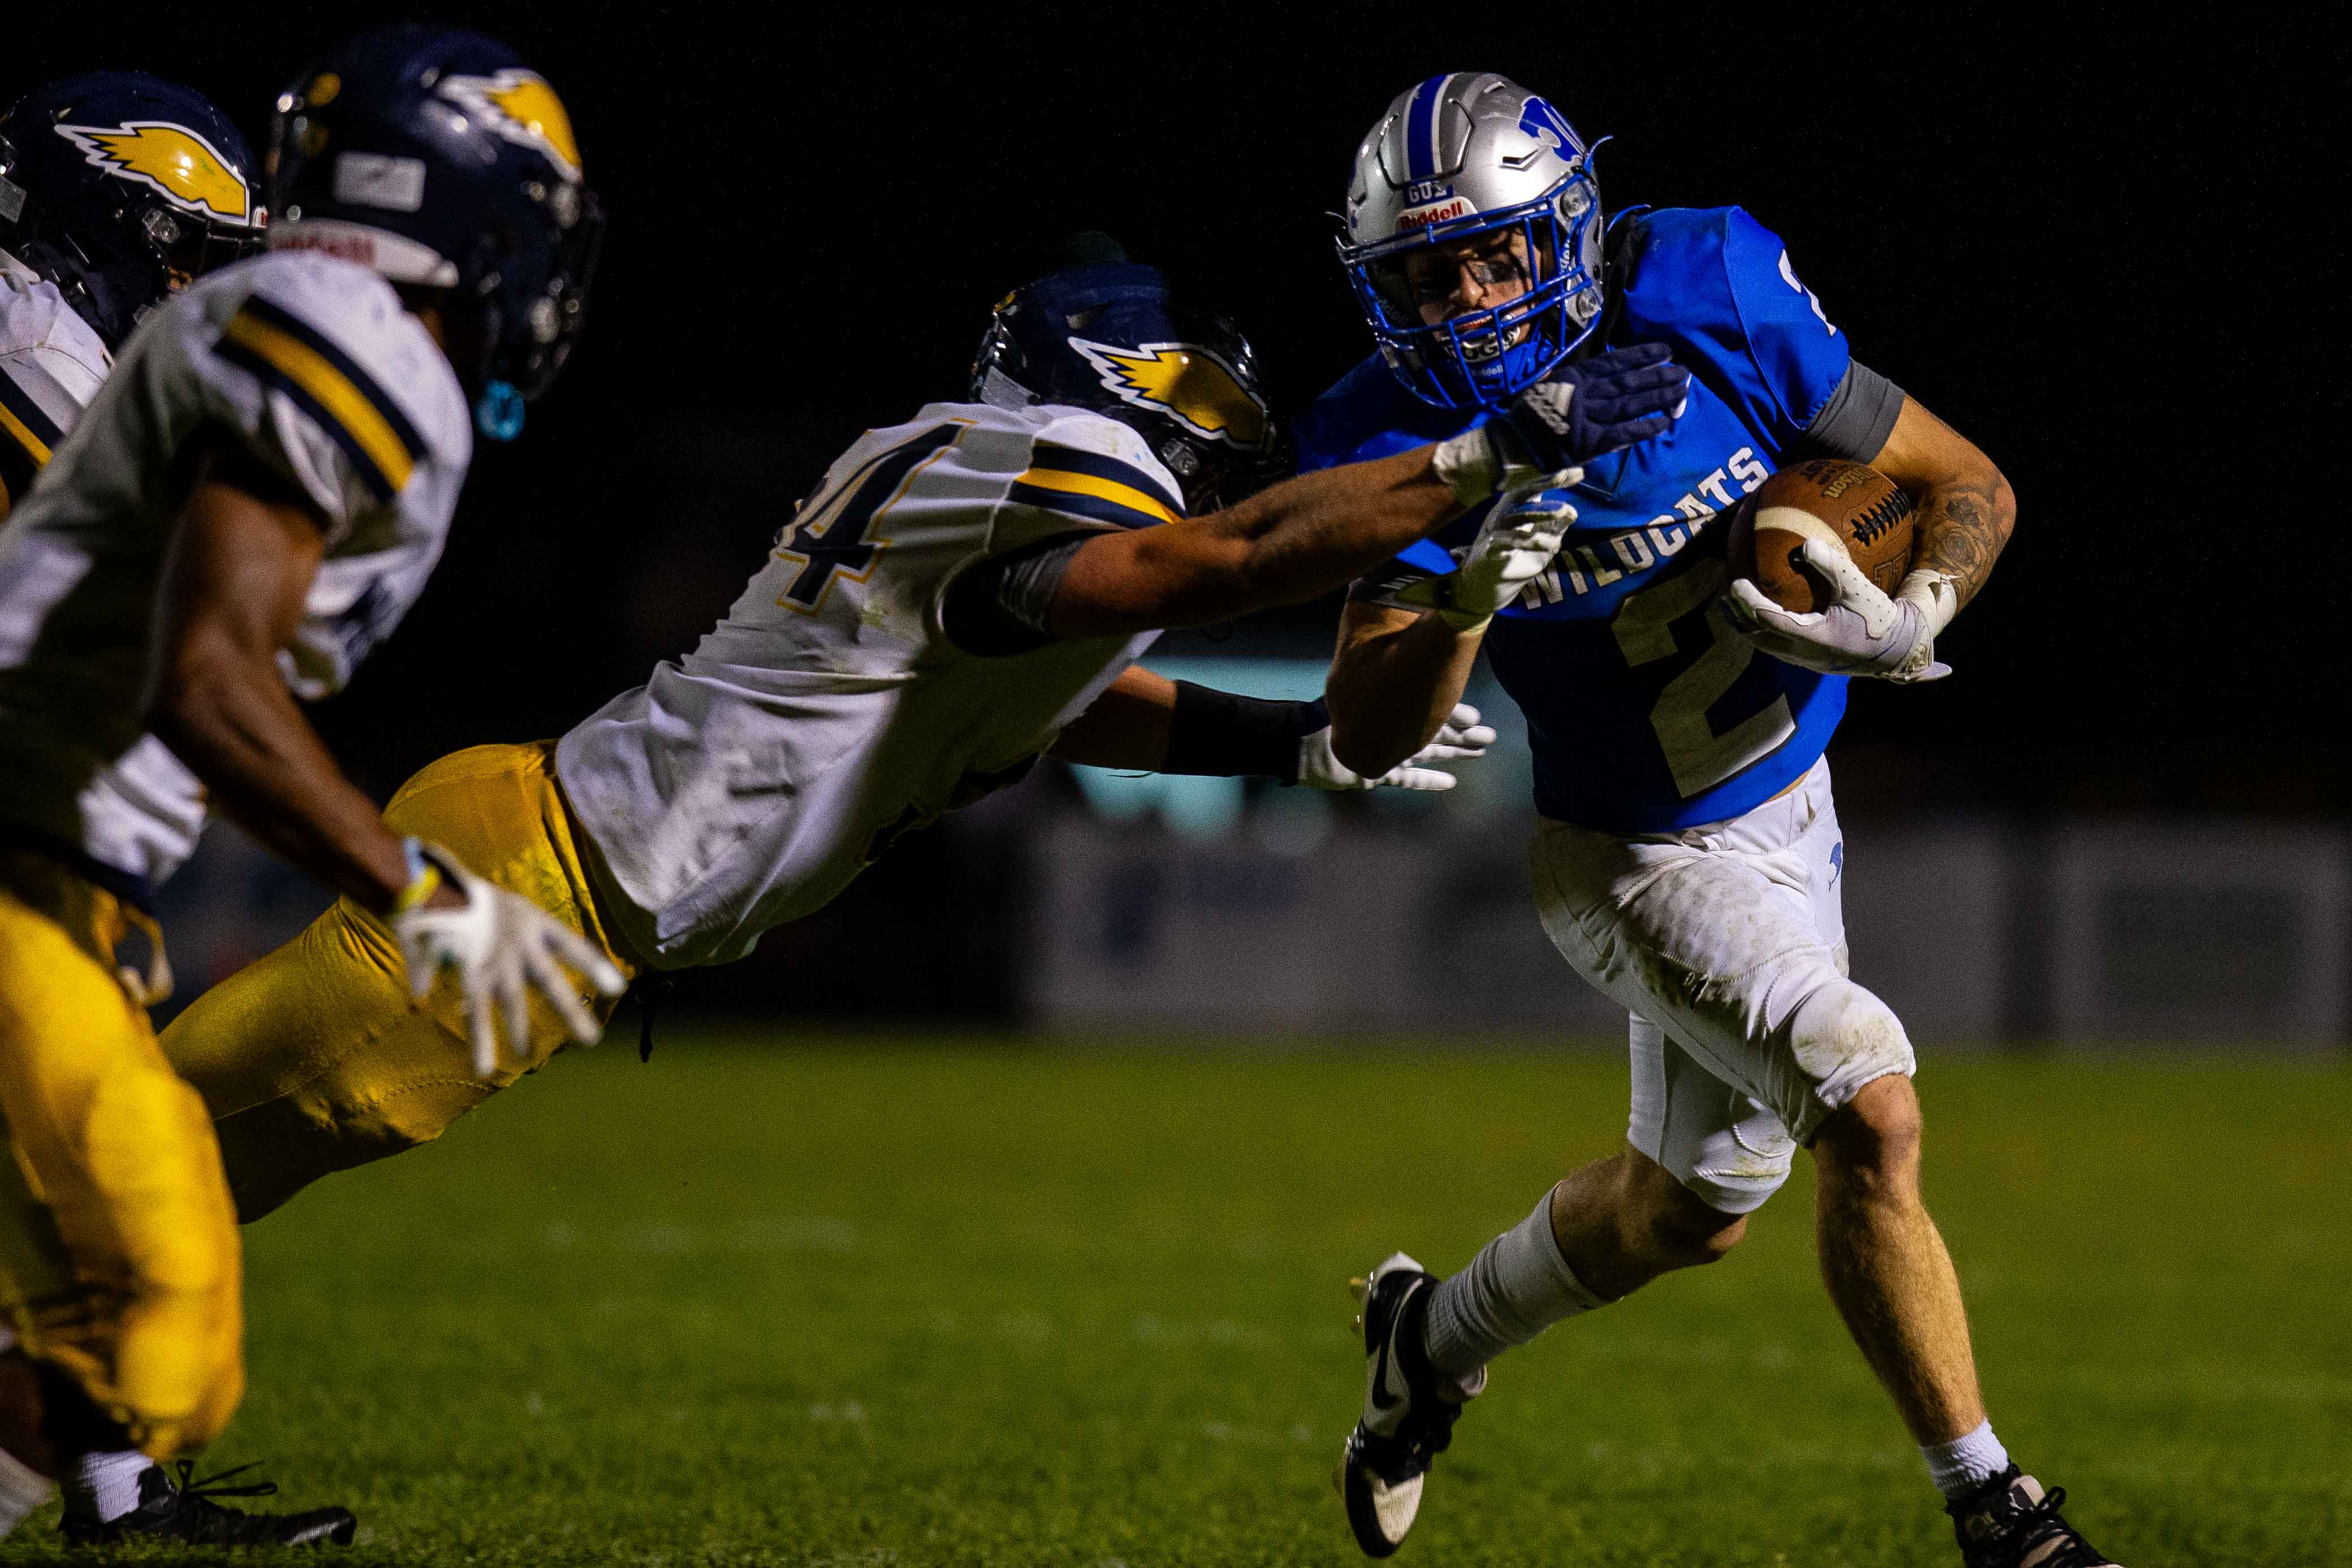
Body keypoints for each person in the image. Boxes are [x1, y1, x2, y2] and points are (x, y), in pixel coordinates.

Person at [152, 233, 1675, 1256]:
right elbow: (1217, 565)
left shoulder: (981, 482)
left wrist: (1291, 751)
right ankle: (94, 1460)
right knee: (144, 1152)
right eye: (1204, 388)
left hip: (547, 849)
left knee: (201, 1171)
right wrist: (1489, 452)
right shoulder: (1071, 456)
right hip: (541, 884)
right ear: (1118, 369)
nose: (1224, 430)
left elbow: (1050, 701)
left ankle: (98, 1463)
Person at [1301, 74, 2100, 1568]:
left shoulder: (1707, 287)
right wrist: (1466, 592)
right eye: (1423, 277)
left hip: (1795, 802)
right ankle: (2000, 1511)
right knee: (1871, 1101)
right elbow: (1366, 736)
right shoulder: (1388, 433)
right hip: (1633, 853)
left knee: (1695, 1211)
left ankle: (1428, 1338)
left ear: (1568, 228)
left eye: (1492, 257)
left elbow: (1962, 479)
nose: (1463, 305)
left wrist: (1920, 607)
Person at [0, 27, 616, 1546]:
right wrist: (428, 901)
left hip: (59, 857)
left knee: (126, 1311)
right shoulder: (349, 336)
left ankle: (109, 1504)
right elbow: (207, 680)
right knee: (151, 1311)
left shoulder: (273, 325)